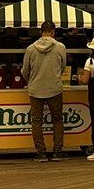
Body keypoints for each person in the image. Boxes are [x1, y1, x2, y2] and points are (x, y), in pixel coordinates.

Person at [20, 21, 68, 162]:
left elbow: (25, 70)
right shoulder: (60, 47)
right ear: (53, 32)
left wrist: (32, 80)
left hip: (35, 89)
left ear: (41, 32)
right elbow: (63, 67)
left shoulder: (30, 48)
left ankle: (41, 152)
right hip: (54, 88)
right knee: (57, 120)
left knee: (36, 121)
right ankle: (57, 151)